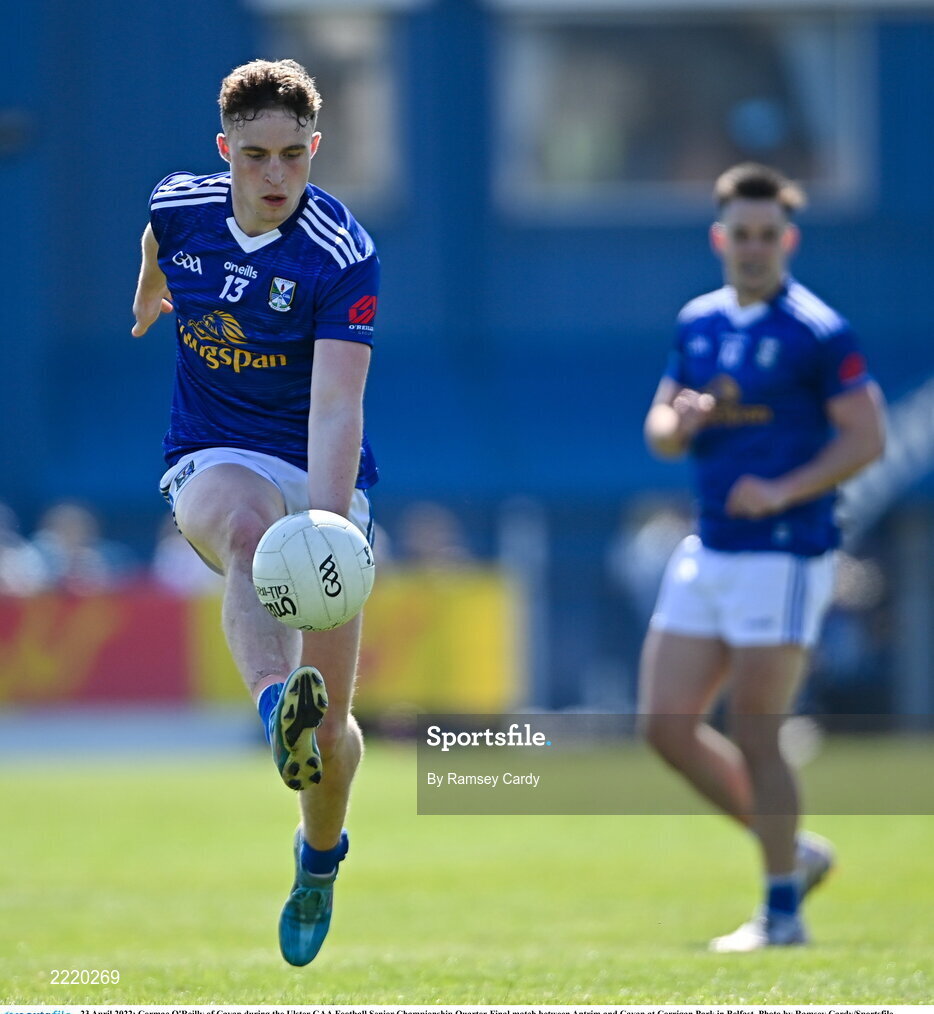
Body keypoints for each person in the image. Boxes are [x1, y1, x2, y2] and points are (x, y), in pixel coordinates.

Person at [130, 59, 379, 966]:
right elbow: (160, 237)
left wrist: (329, 525)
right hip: (213, 450)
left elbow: (337, 407)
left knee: (338, 732)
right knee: (246, 533)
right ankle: (277, 706)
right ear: (223, 151)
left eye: (292, 157)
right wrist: (150, 288)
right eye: (255, 156)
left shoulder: (341, 255)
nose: (274, 177)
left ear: (315, 150)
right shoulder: (180, 204)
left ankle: (319, 859)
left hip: (314, 457)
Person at [639, 163, 885, 952]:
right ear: (721, 238)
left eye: (765, 235)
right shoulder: (699, 321)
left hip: (782, 555)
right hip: (709, 545)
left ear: (788, 239)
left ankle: (783, 914)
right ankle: (797, 852)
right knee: (666, 728)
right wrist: (679, 424)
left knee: (757, 728)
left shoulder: (816, 331)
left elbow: (867, 437)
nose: (752, 248)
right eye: (739, 235)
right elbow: (659, 426)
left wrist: (784, 490)